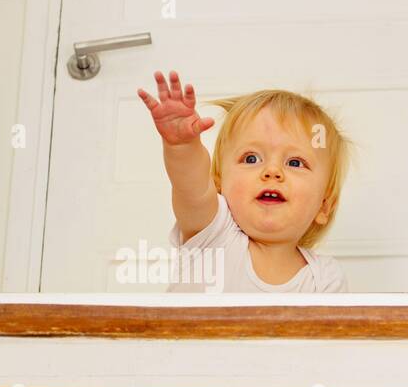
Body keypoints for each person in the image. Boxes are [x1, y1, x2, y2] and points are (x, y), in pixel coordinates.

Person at [138, 70, 351, 293]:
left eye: (295, 163)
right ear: (218, 186)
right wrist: (182, 147)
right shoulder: (214, 235)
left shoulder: (325, 278)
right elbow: (192, 189)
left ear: (324, 205)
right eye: (251, 158)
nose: (272, 171)